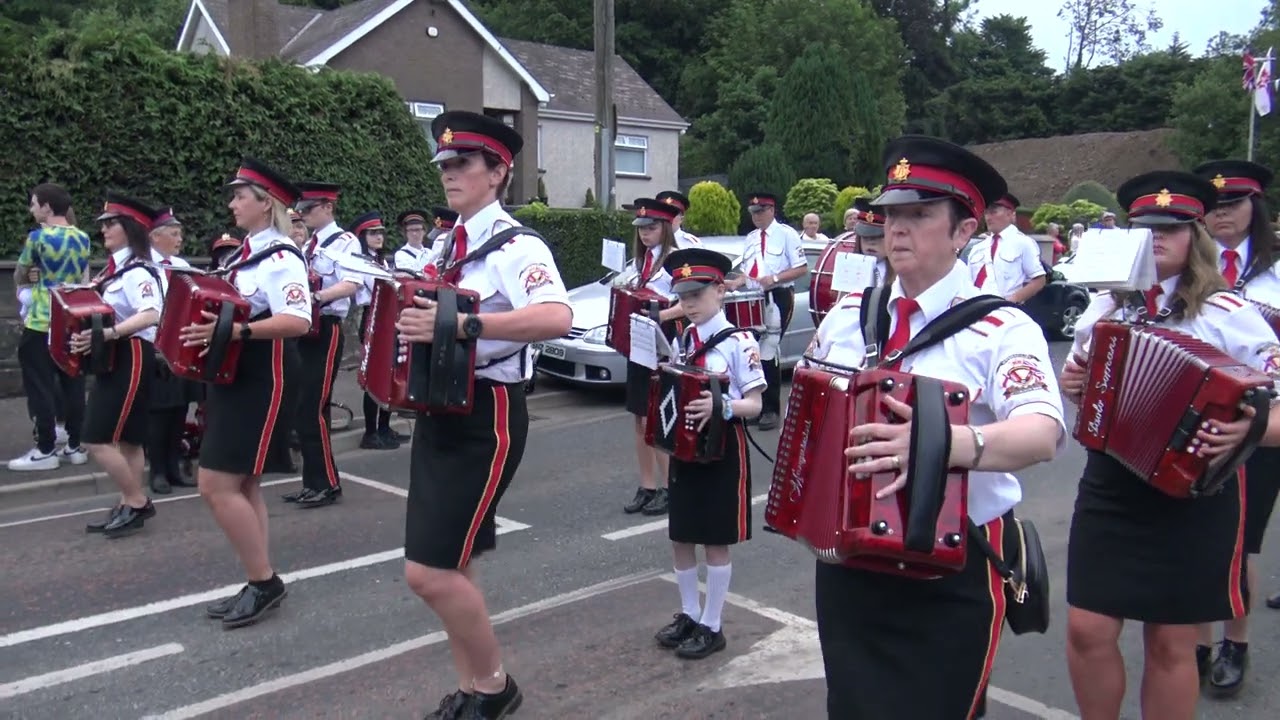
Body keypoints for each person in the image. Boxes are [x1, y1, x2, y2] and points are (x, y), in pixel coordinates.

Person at [806, 136, 1066, 719]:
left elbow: (1041, 433)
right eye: (892, 213)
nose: (898, 228)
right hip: (849, 566)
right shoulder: (851, 315)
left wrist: (941, 443)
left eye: (920, 214)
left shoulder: (1002, 327)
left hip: (953, 568)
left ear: (962, 230)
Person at [1059, 170, 1280, 720]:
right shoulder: (1104, 310)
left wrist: (1248, 430)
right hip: (1111, 483)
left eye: (1172, 228)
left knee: (1171, 642)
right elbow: (1081, 394)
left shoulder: (1230, 314)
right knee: (1088, 629)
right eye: (1145, 227)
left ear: (1195, 236)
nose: (1157, 238)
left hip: (1194, 494)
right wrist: (1074, 388)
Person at [395, 110, 572, 720]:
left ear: (499, 172)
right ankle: (470, 685)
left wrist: (466, 322)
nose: (449, 173)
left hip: (486, 414)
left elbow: (555, 317)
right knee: (455, 565)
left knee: (428, 572)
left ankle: (496, 687)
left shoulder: (518, 245)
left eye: (463, 163)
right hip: (440, 410)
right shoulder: (450, 243)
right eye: (444, 163)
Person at [179, 158, 310, 628]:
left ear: (265, 203)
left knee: (214, 484)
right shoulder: (244, 254)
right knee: (244, 483)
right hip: (239, 375)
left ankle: (265, 582)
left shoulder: (280, 256)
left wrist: (236, 333)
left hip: (264, 373)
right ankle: (260, 578)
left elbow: (298, 320)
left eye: (240, 195)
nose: (232, 203)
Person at [1189, 159, 1280, 697]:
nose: (1223, 215)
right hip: (1191, 421)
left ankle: (1235, 643)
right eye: (1214, 207)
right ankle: (1198, 642)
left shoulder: (1275, 271)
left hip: (1259, 427)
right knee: (1196, 539)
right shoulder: (1187, 270)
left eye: (1234, 204)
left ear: (1255, 208)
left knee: (1241, 543)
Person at [652, 246, 764, 660]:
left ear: (719, 290)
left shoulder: (740, 341)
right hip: (686, 449)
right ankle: (688, 613)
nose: (689, 304)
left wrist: (723, 405)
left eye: (697, 294)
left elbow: (755, 402)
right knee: (682, 535)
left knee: (715, 539)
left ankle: (712, 624)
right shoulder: (683, 337)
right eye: (683, 296)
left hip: (721, 449)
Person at [77, 194, 166, 537]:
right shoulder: (113, 270)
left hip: (130, 354)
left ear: (130, 228)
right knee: (129, 440)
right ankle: (128, 504)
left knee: (96, 438)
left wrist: (111, 333)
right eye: (102, 224)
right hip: (119, 355)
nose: (103, 229)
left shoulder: (137, 270)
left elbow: (150, 312)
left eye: (110, 223)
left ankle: (137, 501)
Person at [288, 181, 362, 508]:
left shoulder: (345, 242)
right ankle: (312, 482)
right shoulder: (307, 246)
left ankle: (327, 483)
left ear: (328, 207)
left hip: (327, 326)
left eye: (309, 209)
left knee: (312, 407)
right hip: (306, 328)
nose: (303, 216)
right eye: (301, 210)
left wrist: (316, 296)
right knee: (303, 407)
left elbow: (352, 283)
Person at [10, 183, 92, 471]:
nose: (32, 209)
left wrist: (27, 284)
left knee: (40, 385)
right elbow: (83, 277)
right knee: (73, 382)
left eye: (34, 204)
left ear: (46, 207)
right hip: (71, 318)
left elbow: (21, 272)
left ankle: (45, 449)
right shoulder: (82, 238)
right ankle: (75, 444)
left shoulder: (38, 238)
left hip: (42, 319)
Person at [620, 198, 688, 516]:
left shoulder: (676, 261)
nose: (645, 234)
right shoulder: (640, 261)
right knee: (639, 417)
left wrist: (660, 314)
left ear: (665, 227)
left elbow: (689, 304)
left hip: (665, 344)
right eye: (641, 229)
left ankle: (671, 487)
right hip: (639, 343)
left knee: (660, 419)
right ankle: (647, 486)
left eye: (651, 228)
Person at [724, 192, 806, 430]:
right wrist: (736, 282)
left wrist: (776, 278)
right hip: (753, 297)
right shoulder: (750, 238)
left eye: (761, 212)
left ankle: (771, 409)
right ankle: (757, 406)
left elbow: (800, 268)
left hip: (778, 296)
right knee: (753, 353)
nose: (757, 217)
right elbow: (749, 271)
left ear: (772, 210)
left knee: (769, 351)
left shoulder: (787, 234)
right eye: (753, 213)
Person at [146, 206, 195, 494]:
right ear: (155, 237)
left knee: (178, 408)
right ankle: (158, 471)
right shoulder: (144, 266)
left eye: (180, 233)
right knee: (158, 412)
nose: (179, 239)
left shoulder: (181, 265)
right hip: (155, 348)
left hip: (179, 346)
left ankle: (175, 466)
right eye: (174, 233)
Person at [350, 210, 400, 450]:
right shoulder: (360, 261)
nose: (379, 236)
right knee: (373, 374)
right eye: (373, 233)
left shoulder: (384, 260)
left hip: (386, 315)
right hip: (370, 315)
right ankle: (370, 431)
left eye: (381, 232)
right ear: (362, 236)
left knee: (388, 372)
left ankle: (384, 427)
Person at [966, 191, 1046, 302]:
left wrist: (1011, 301)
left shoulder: (1023, 243)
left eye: (994, 212)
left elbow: (1039, 280)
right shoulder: (978, 248)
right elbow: (968, 283)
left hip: (1006, 310)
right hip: (976, 308)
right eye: (986, 213)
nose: (988, 217)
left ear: (1010, 214)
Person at [852, 197, 891, 286]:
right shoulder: (847, 271)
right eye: (865, 237)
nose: (871, 243)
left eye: (878, 236)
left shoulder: (903, 277)